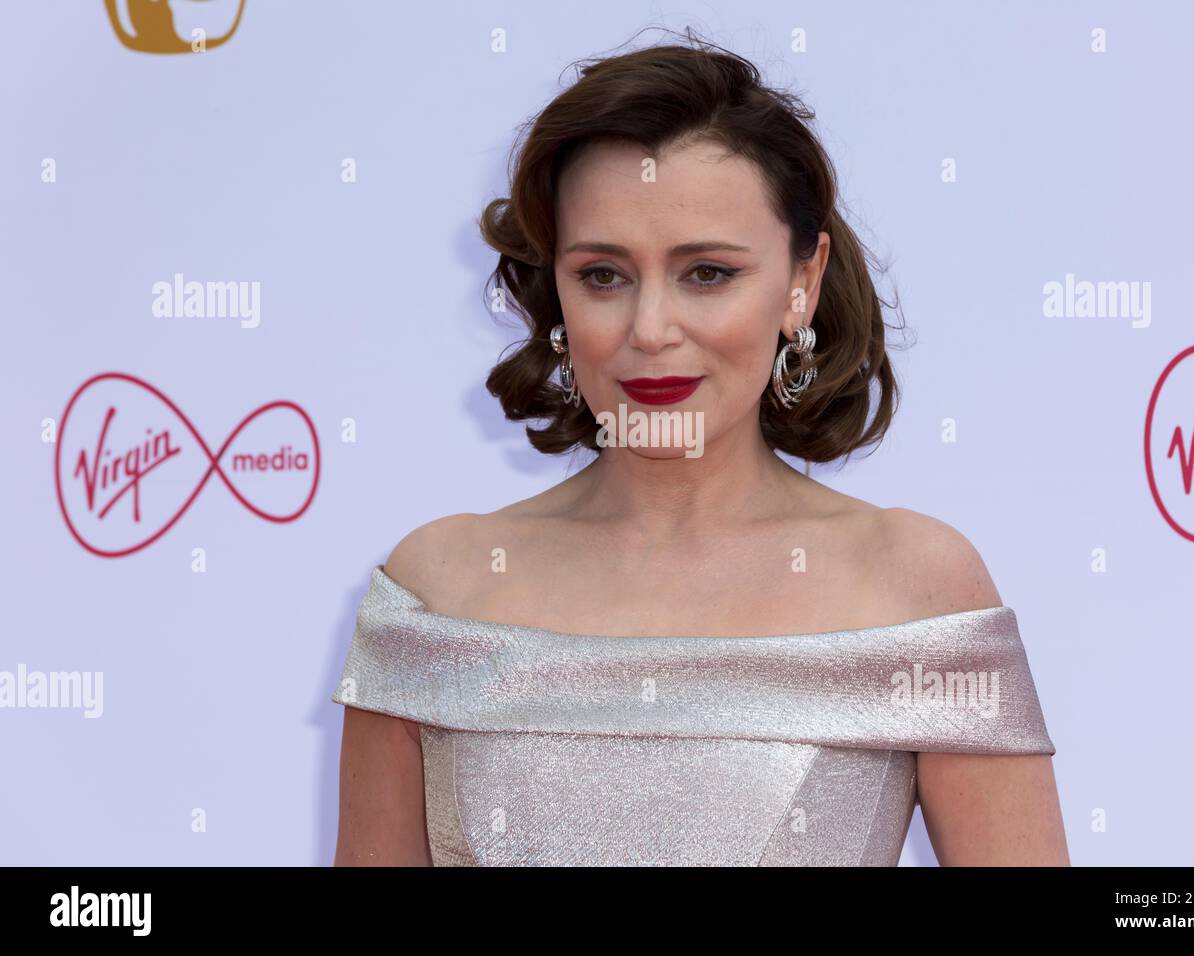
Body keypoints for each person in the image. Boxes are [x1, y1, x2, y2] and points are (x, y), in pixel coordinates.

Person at [332, 34, 1068, 866]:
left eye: (707, 273)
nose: (650, 331)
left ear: (803, 282)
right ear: (558, 292)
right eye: (604, 275)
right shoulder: (439, 586)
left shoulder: (915, 584)